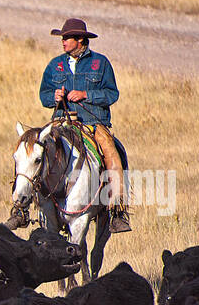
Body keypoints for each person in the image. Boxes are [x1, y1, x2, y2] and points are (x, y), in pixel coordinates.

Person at [8, 18, 129, 233]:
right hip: (60, 122)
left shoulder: (100, 64)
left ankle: (116, 211)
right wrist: (53, 96)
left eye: (67, 38)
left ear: (80, 39)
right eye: (62, 38)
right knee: (30, 153)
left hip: (92, 123)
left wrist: (86, 94)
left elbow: (112, 93)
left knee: (113, 152)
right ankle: (20, 209)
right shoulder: (55, 65)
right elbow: (43, 95)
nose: (63, 42)